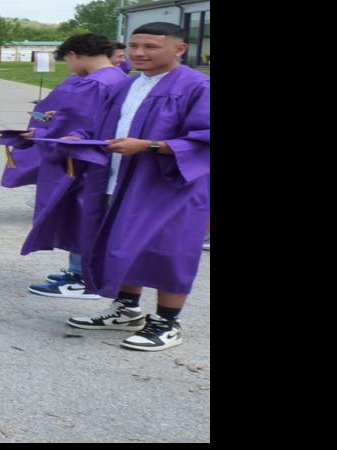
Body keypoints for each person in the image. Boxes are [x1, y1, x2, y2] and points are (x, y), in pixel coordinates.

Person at [64, 22, 209, 352]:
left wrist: (150, 146)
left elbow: (203, 138)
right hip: (121, 177)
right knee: (124, 242)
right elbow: (103, 127)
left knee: (169, 250)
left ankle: (167, 321)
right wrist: (80, 137)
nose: (139, 53)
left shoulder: (198, 86)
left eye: (151, 47)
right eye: (134, 46)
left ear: (180, 49)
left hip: (170, 184)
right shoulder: (127, 86)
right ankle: (126, 310)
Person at [18, 32, 132, 301]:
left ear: (74, 54)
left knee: (84, 215)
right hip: (106, 157)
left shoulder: (92, 83)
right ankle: (80, 271)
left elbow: (75, 128)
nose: (70, 67)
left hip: (84, 160)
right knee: (93, 215)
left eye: (68, 61)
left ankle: (82, 276)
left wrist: (41, 134)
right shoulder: (120, 79)